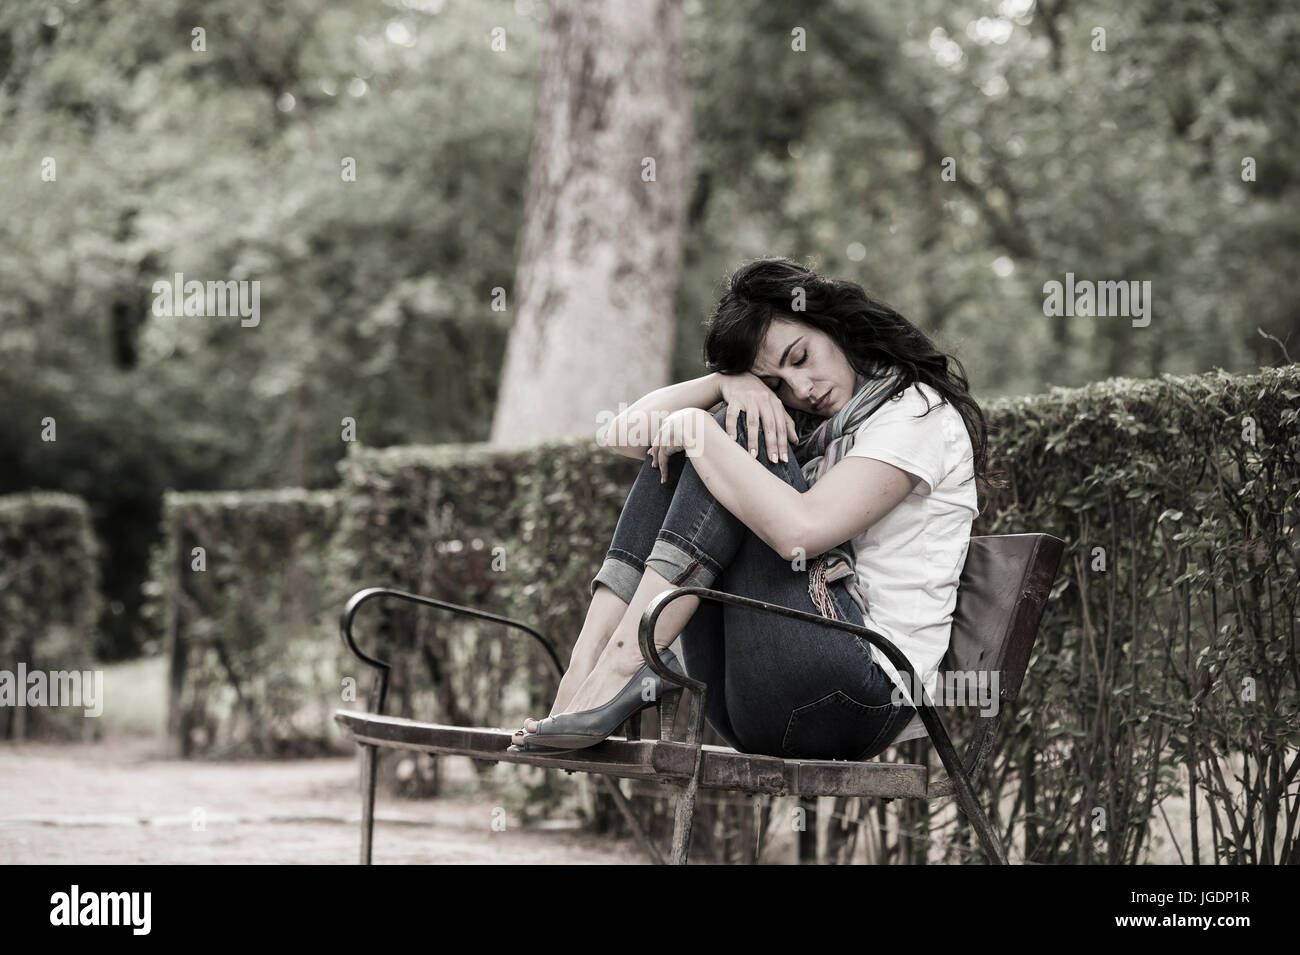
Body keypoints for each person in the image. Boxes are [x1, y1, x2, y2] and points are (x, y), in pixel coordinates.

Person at [511, 257, 999, 761]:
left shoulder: (916, 413)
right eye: (779, 381)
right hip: (752, 696)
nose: (803, 388)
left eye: (801, 356)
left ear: (831, 322)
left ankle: (623, 664)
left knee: (723, 431)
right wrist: (728, 385)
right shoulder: (803, 421)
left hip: (861, 693)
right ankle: (585, 671)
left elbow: (800, 534)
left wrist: (702, 428)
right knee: (715, 431)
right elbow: (621, 435)